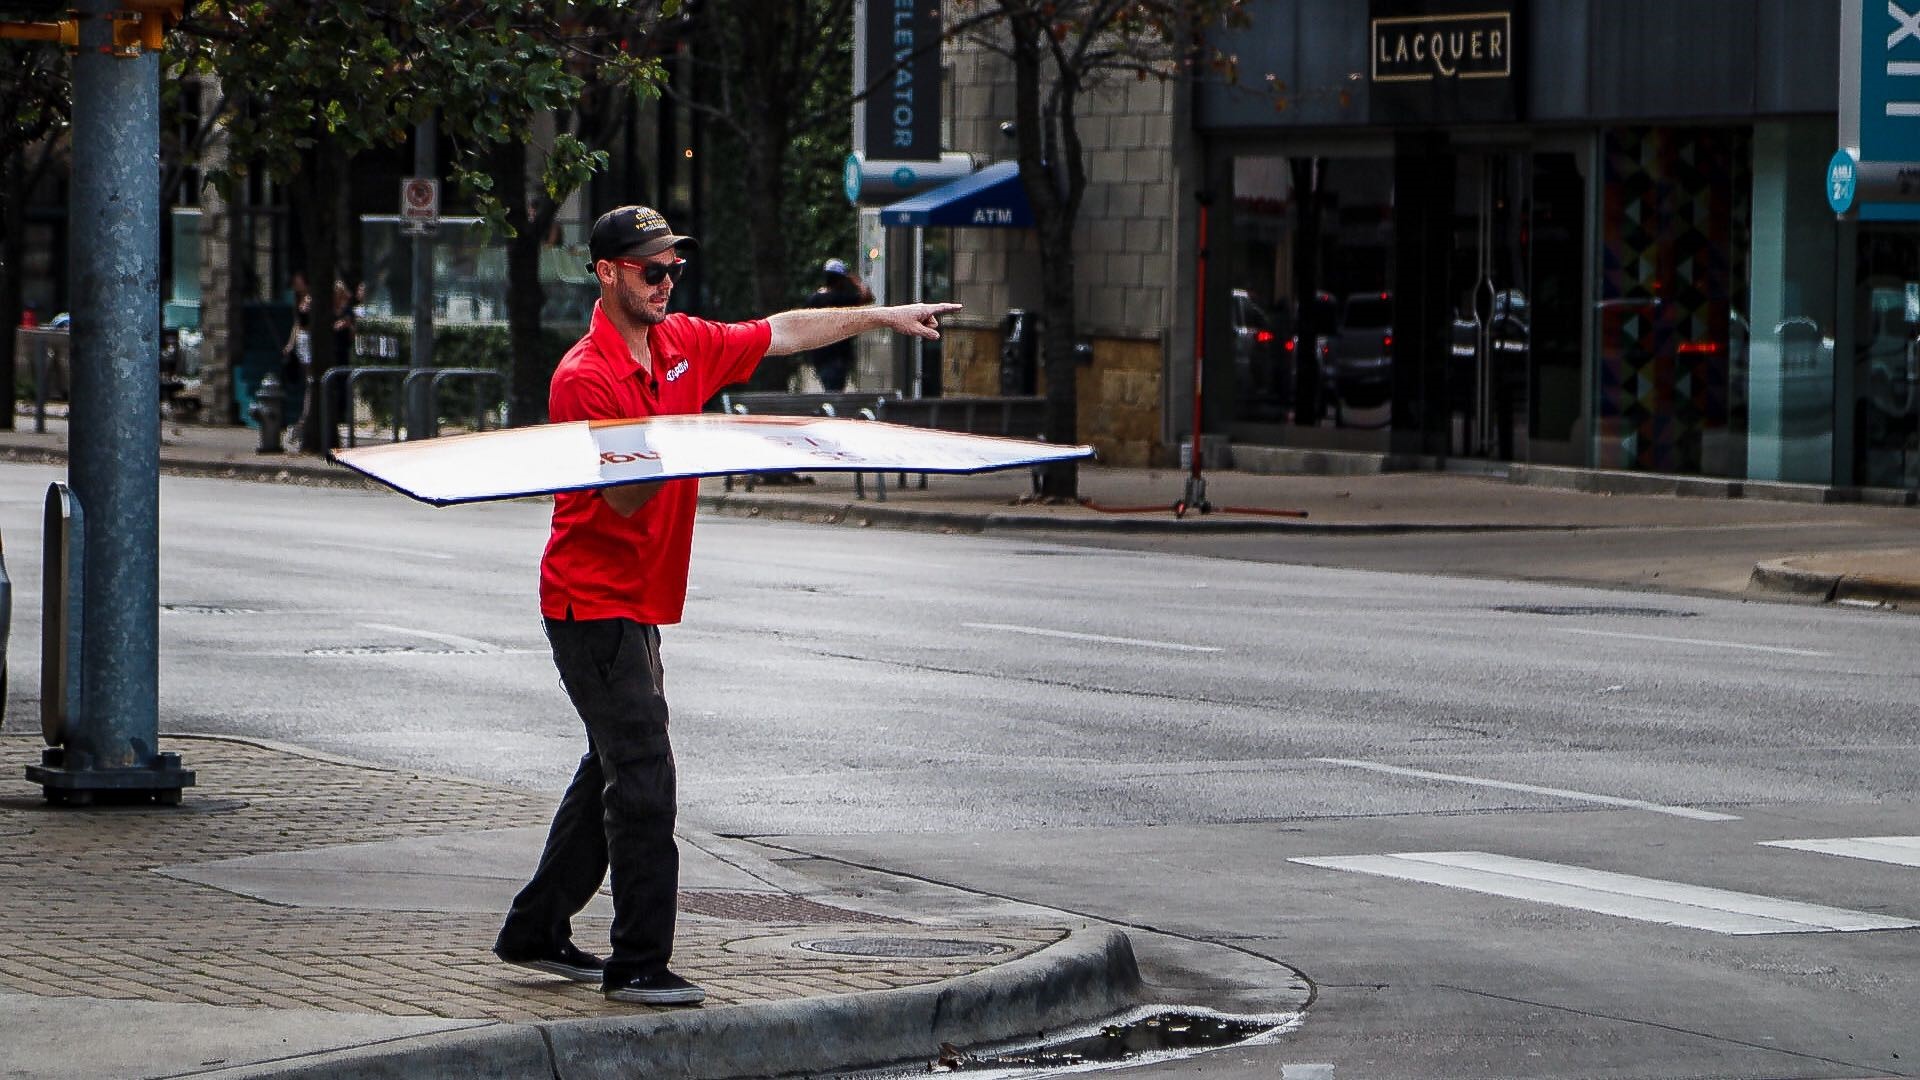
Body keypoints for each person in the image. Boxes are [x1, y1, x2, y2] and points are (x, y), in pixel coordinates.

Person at [492, 205, 959, 1006]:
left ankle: (534, 931)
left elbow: (780, 330)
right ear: (607, 274)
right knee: (642, 775)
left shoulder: (682, 345)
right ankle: (638, 962)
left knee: (610, 764)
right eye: (651, 270)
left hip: (638, 601)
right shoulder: (585, 377)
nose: (668, 282)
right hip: (589, 602)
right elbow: (628, 500)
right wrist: (695, 439)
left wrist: (880, 314)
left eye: (675, 268)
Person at [801, 257, 873, 393]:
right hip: (837, 357)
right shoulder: (841, 299)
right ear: (840, 279)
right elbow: (867, 297)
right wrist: (855, 280)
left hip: (819, 356)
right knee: (835, 394)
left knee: (830, 391)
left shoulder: (813, 299)